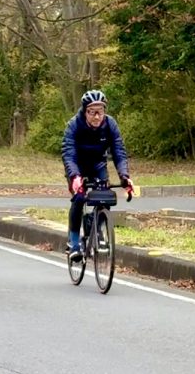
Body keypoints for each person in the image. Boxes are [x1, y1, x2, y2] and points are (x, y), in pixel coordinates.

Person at [61, 89, 134, 261]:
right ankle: (73, 243)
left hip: (98, 165)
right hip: (77, 165)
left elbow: (119, 152)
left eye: (100, 111)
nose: (96, 116)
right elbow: (68, 154)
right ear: (85, 111)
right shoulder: (74, 125)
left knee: (105, 196)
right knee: (79, 198)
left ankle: (96, 225)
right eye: (92, 112)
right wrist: (75, 177)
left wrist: (125, 176)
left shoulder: (110, 124)